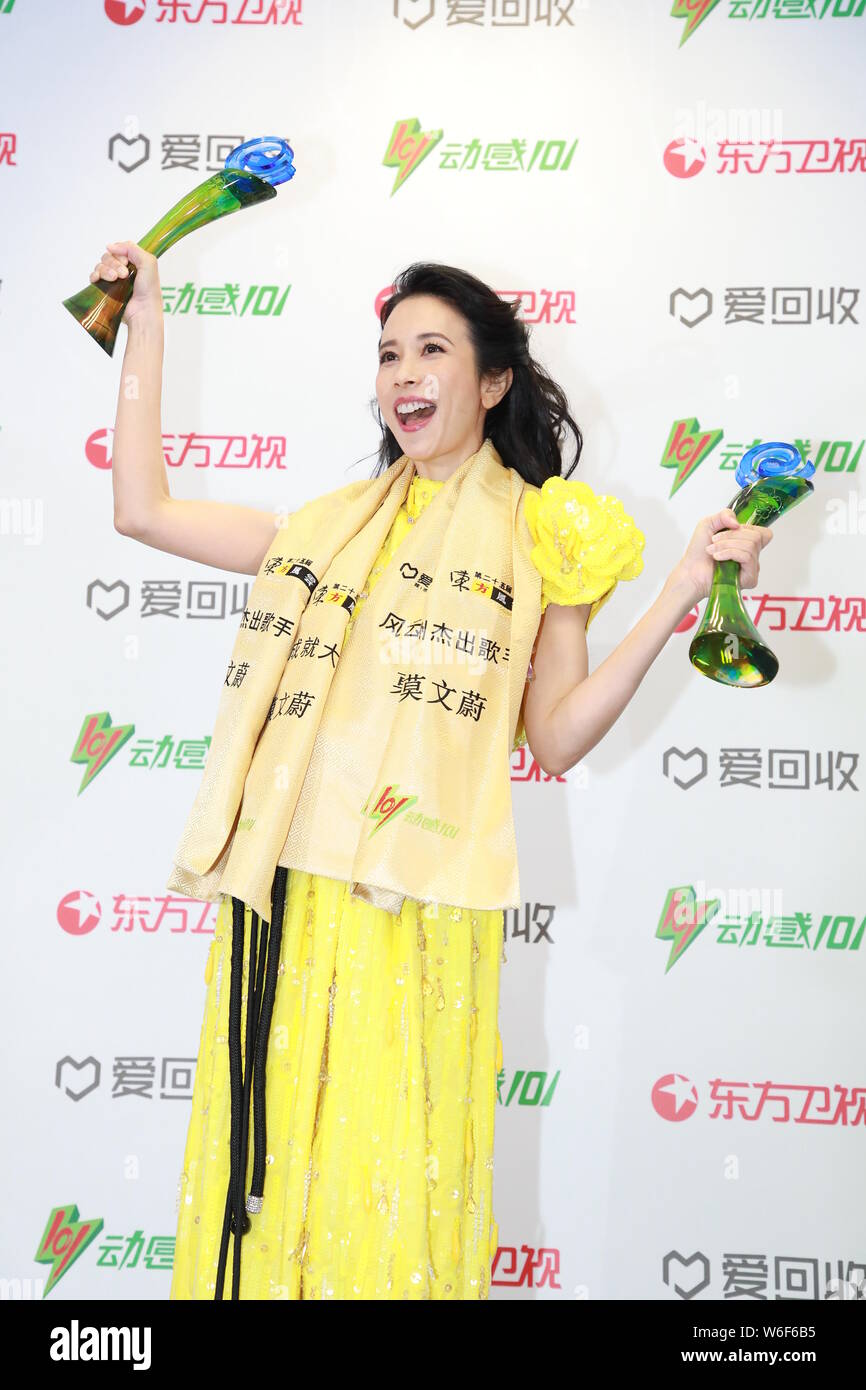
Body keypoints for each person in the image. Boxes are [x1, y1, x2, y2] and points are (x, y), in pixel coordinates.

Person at [92, 242, 773, 1301]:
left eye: (431, 350)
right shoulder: (324, 528)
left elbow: (553, 736)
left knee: (389, 1187)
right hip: (284, 899)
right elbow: (141, 509)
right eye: (387, 354)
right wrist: (147, 325)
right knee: (266, 1182)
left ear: (492, 379)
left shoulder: (550, 534)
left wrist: (681, 587)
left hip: (420, 906)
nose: (402, 373)